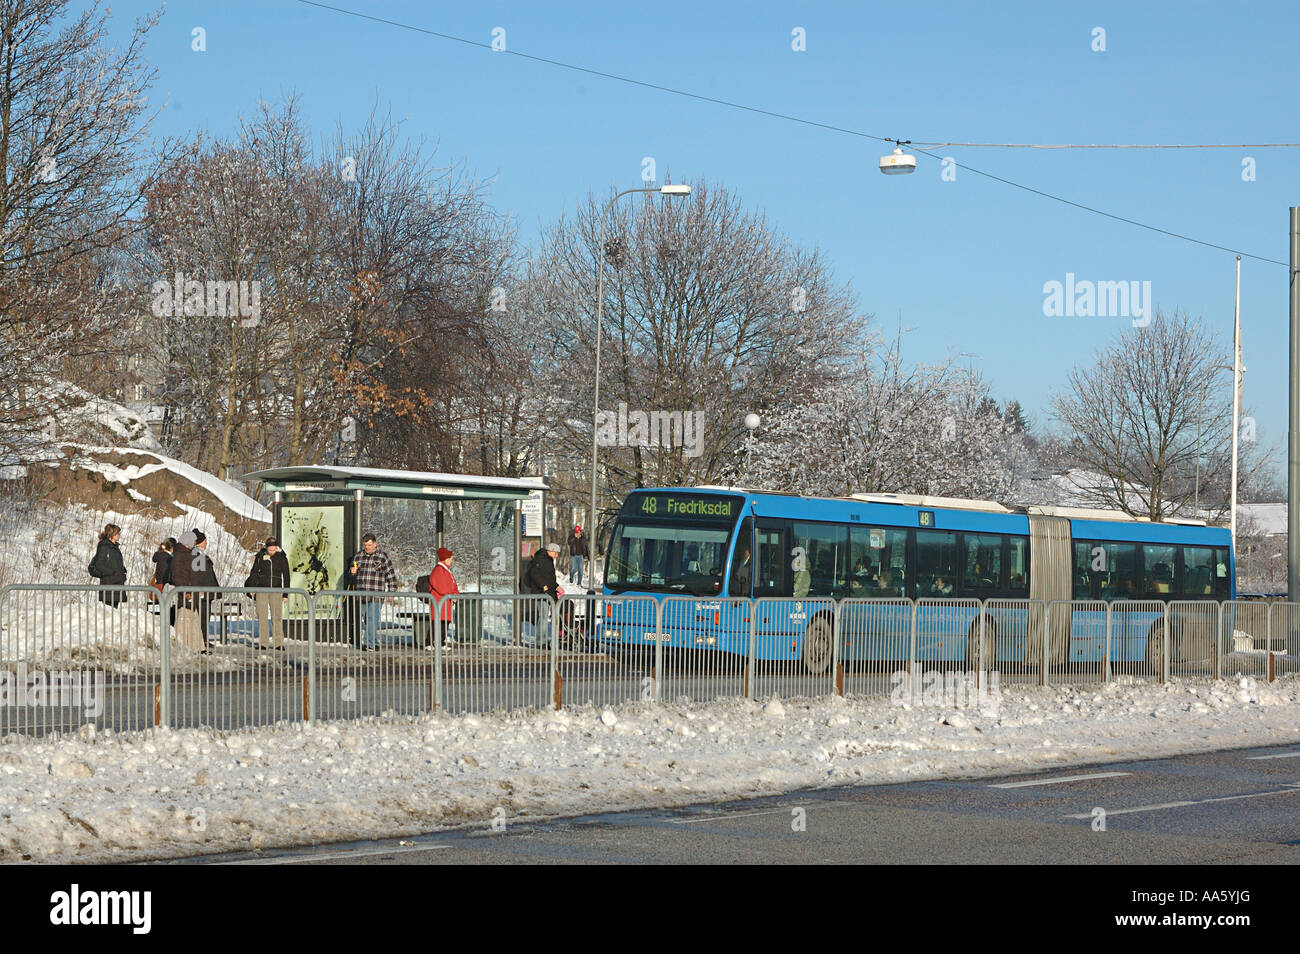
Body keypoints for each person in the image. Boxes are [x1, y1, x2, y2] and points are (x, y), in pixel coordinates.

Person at [350, 533, 397, 651]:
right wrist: (352, 572)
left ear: (375, 544)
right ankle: (375, 642)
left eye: (369, 545)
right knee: (368, 619)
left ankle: (369, 644)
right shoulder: (359, 556)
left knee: (372, 618)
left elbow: (390, 574)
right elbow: (351, 575)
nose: (367, 547)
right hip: (361, 594)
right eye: (365, 545)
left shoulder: (382, 557)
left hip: (376, 594)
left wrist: (391, 591)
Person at [246, 536, 291, 649]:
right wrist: (252, 588)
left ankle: (278, 643)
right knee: (262, 616)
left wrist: (286, 593)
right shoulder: (260, 556)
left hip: (276, 590)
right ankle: (263, 643)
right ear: (266, 548)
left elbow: (286, 576)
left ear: (277, 547)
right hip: (261, 589)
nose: (272, 552)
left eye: (274, 549)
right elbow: (254, 572)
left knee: (277, 617)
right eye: (270, 550)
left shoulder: (282, 557)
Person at [170, 531, 207, 653]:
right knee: (183, 621)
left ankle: (197, 646)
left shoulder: (188, 554)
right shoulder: (180, 555)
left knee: (193, 620)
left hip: (192, 591)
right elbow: (177, 576)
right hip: (186, 592)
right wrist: (184, 591)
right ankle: (181, 646)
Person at [88, 524, 127, 607]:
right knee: (109, 614)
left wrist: (122, 570)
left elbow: (113, 562)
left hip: (117, 584)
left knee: (114, 614)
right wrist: (113, 573)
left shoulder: (115, 547)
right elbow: (99, 564)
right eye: (117, 533)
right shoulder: (104, 546)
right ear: (111, 534)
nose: (119, 535)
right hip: (109, 583)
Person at [427, 547, 459, 649]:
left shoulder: (446, 571)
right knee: (438, 622)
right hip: (439, 601)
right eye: (450, 558)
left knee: (444, 622)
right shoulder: (438, 571)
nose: (451, 560)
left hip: (445, 602)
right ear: (445, 559)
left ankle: (438, 642)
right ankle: (432, 642)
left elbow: (454, 586)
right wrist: (452, 594)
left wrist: (455, 594)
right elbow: (442, 588)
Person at [149, 538, 176, 627]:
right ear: (172, 547)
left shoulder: (160, 556)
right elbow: (167, 574)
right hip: (165, 586)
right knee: (169, 611)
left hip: (158, 585)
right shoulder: (168, 558)